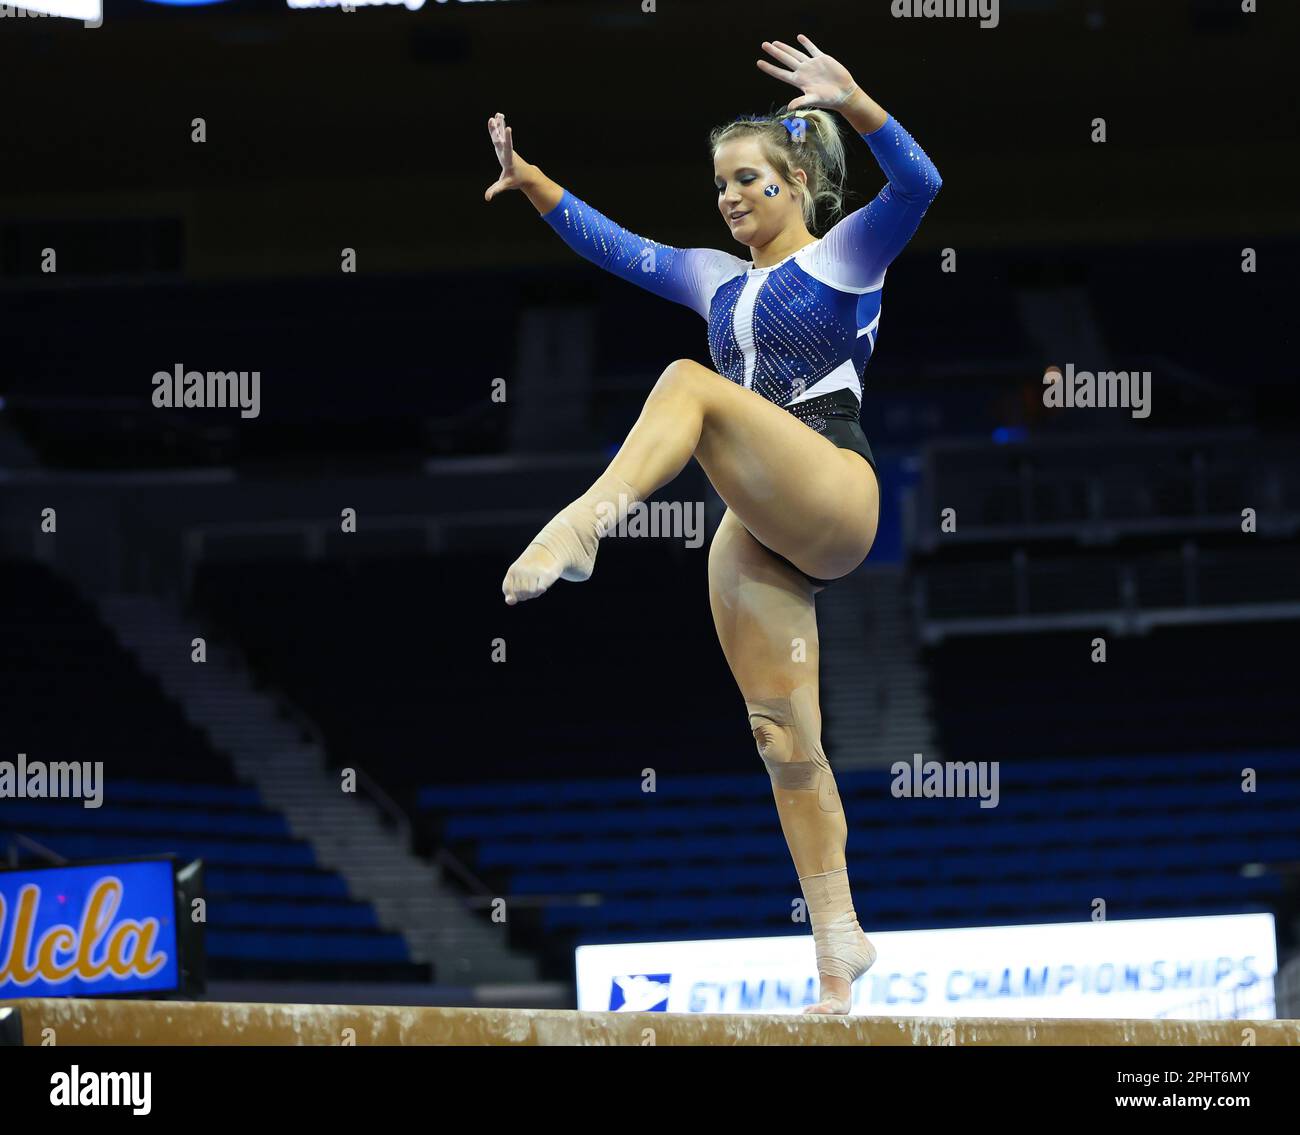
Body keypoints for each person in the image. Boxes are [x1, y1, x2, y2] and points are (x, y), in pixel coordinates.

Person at [486, 33, 941, 1014]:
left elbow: (918, 184)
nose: (728, 195)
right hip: (757, 514)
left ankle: (585, 522)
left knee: (688, 384)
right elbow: (616, 247)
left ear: (796, 186)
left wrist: (855, 98)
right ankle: (836, 953)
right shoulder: (710, 277)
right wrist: (533, 185)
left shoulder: (845, 253)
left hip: (831, 483)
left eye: (747, 179)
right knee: (782, 738)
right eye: (719, 183)